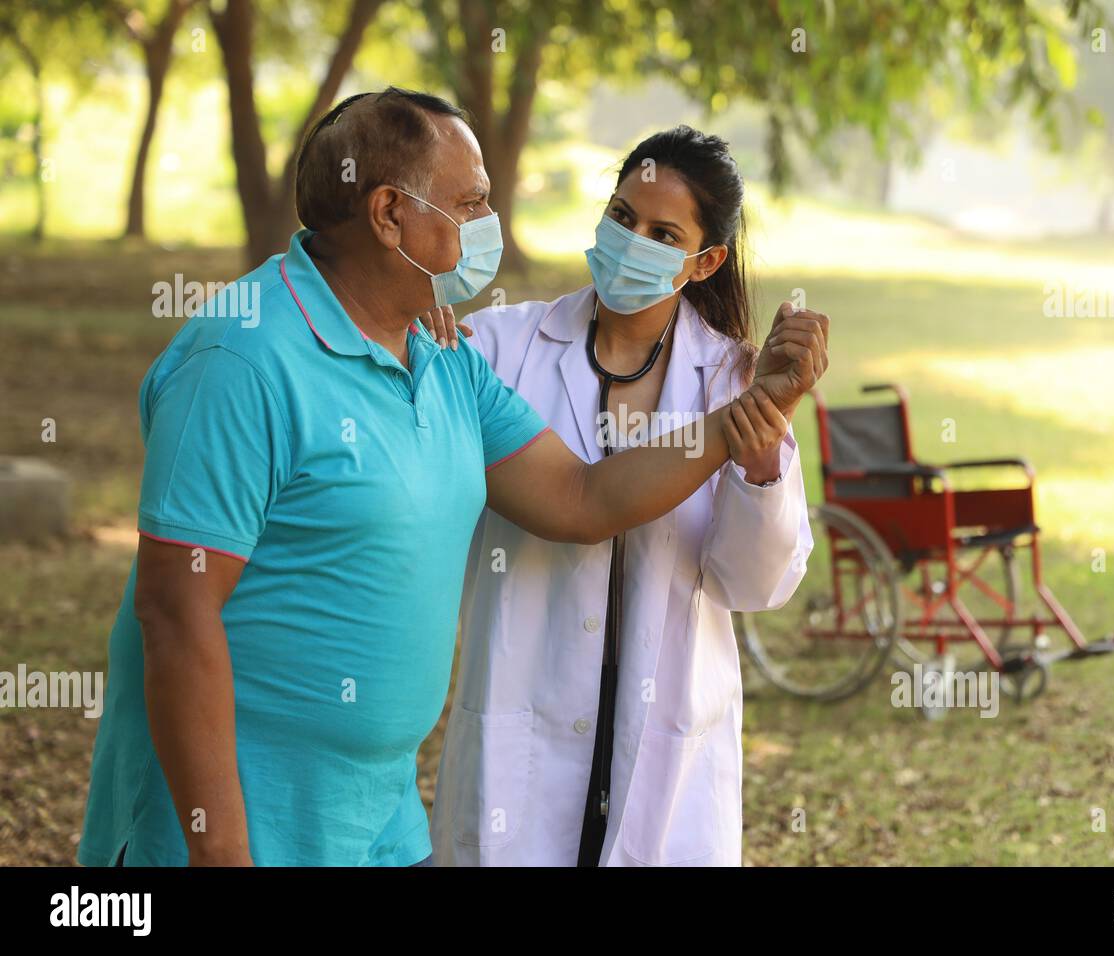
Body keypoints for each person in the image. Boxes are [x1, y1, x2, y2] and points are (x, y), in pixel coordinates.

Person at [79, 91, 828, 867]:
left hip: (380, 822)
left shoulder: (442, 360)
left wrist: (753, 410)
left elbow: (582, 498)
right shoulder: (241, 359)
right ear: (389, 214)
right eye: (469, 202)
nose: (486, 224)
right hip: (245, 824)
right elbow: (174, 613)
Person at [424, 126, 823, 866]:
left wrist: (762, 441)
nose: (631, 240)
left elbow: (755, 583)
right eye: (621, 217)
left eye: (662, 233)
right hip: (522, 734)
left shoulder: (735, 379)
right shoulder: (499, 349)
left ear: (705, 261)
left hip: (666, 742)